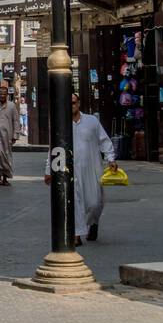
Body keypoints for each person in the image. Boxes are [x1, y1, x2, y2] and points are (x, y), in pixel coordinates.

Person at [45, 93, 117, 244]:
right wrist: (48, 171)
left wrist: (111, 159)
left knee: (94, 202)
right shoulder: (61, 124)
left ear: (79, 103)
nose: (71, 106)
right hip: (70, 170)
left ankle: (93, 222)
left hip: (92, 169)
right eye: (68, 103)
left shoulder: (92, 121)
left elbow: (104, 141)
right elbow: (54, 149)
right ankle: (76, 235)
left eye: (73, 103)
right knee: (74, 202)